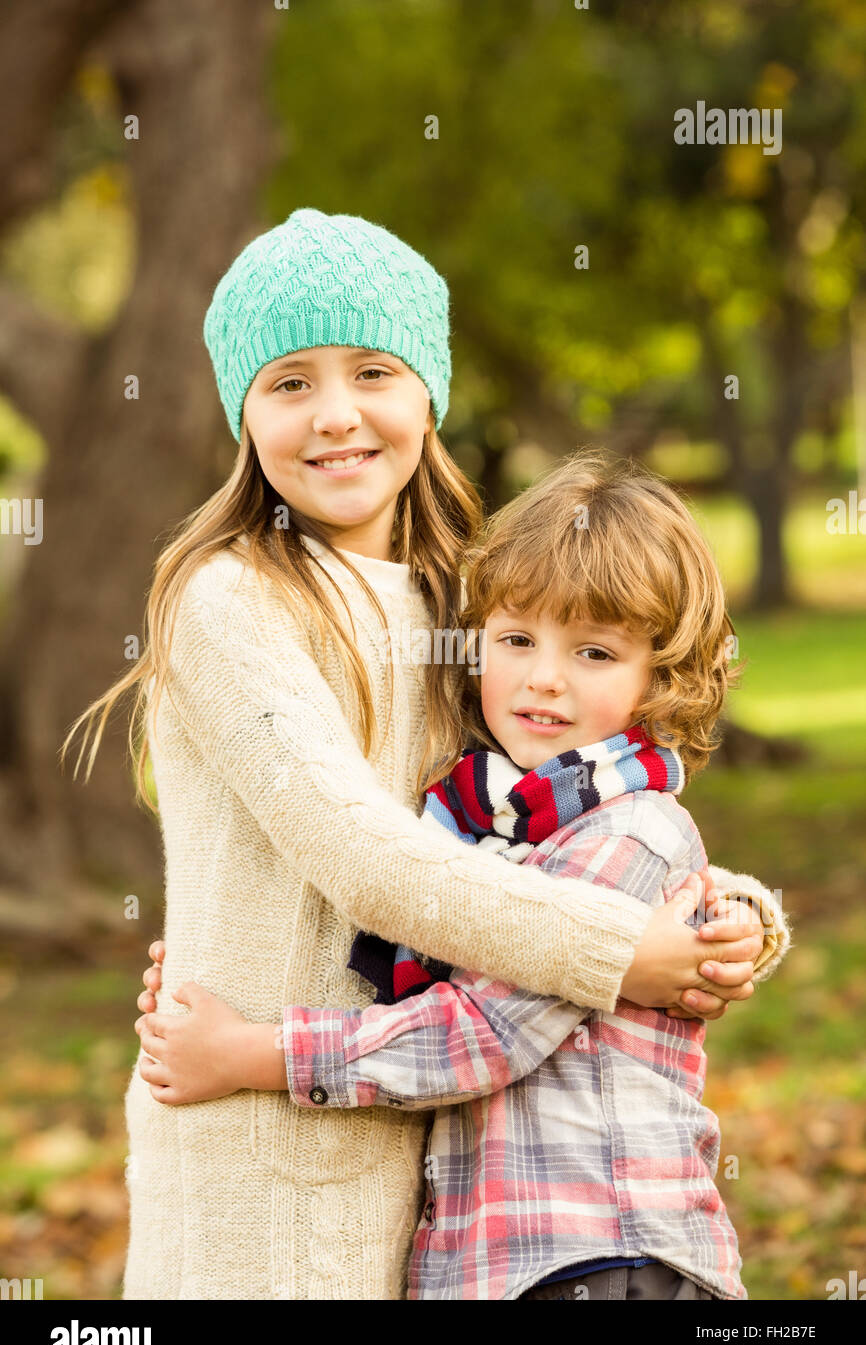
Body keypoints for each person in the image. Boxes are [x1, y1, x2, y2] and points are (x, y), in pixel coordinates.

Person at [64, 208, 784, 1300]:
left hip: (430, 1161)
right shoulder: (232, 600)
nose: (336, 414)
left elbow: (552, 813)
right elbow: (364, 858)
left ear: (429, 393)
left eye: (372, 371)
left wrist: (717, 914)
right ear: (241, 413)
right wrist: (622, 947)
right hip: (257, 1137)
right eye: (289, 382)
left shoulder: (472, 604)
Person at [135, 455, 789, 1300]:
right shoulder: (487, 820)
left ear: (659, 679)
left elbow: (482, 1033)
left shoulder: (632, 828)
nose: (543, 677)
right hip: (502, 1261)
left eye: (593, 651)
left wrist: (260, 1053)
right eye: (516, 640)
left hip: (601, 1253)